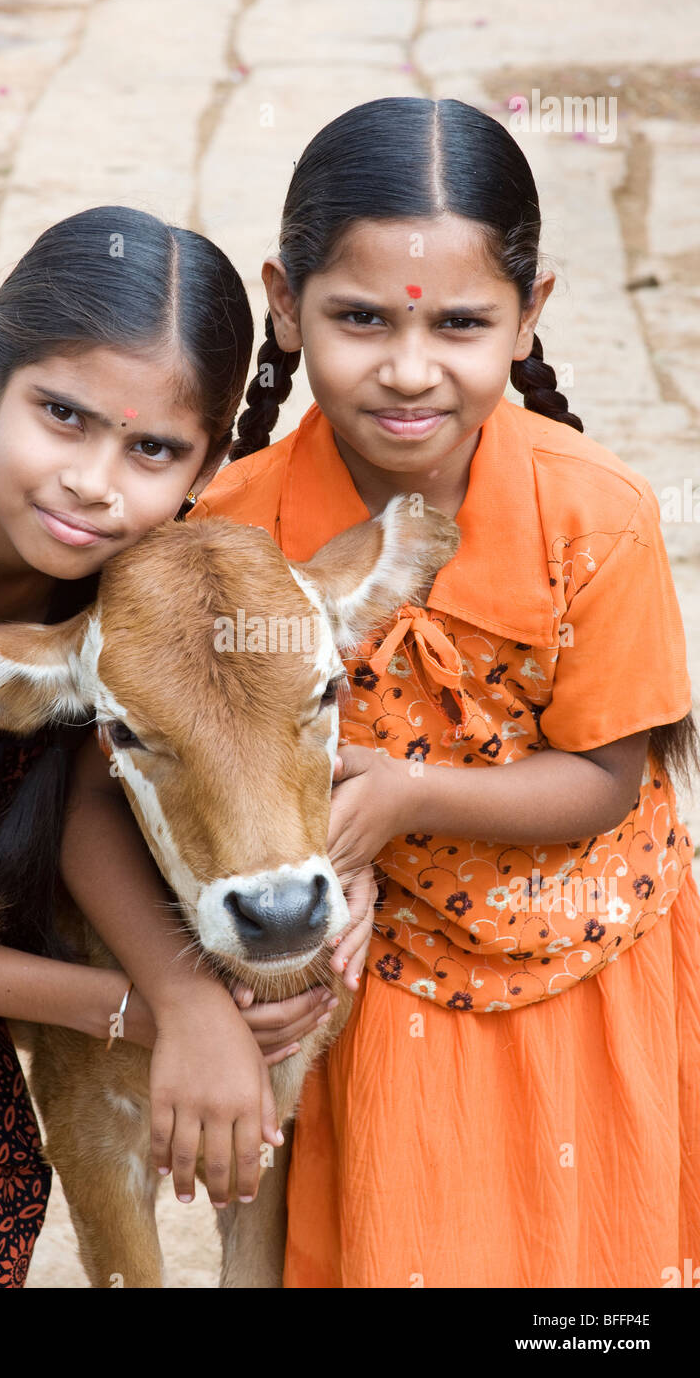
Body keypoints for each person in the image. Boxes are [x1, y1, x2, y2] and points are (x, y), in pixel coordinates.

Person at [185, 96, 700, 1287]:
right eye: (358, 318)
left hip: (585, 953)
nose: (408, 369)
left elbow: (608, 778)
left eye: (462, 323)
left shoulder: (599, 516)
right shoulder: (229, 529)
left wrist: (408, 792)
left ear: (530, 317)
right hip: (378, 981)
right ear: (284, 302)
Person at [0, 205, 355, 1287]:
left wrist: (193, 998)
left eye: (153, 446)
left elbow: (83, 774)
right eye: (63, 415)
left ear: (209, 464)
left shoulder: (129, 560)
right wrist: (136, 1011)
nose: (95, 481)